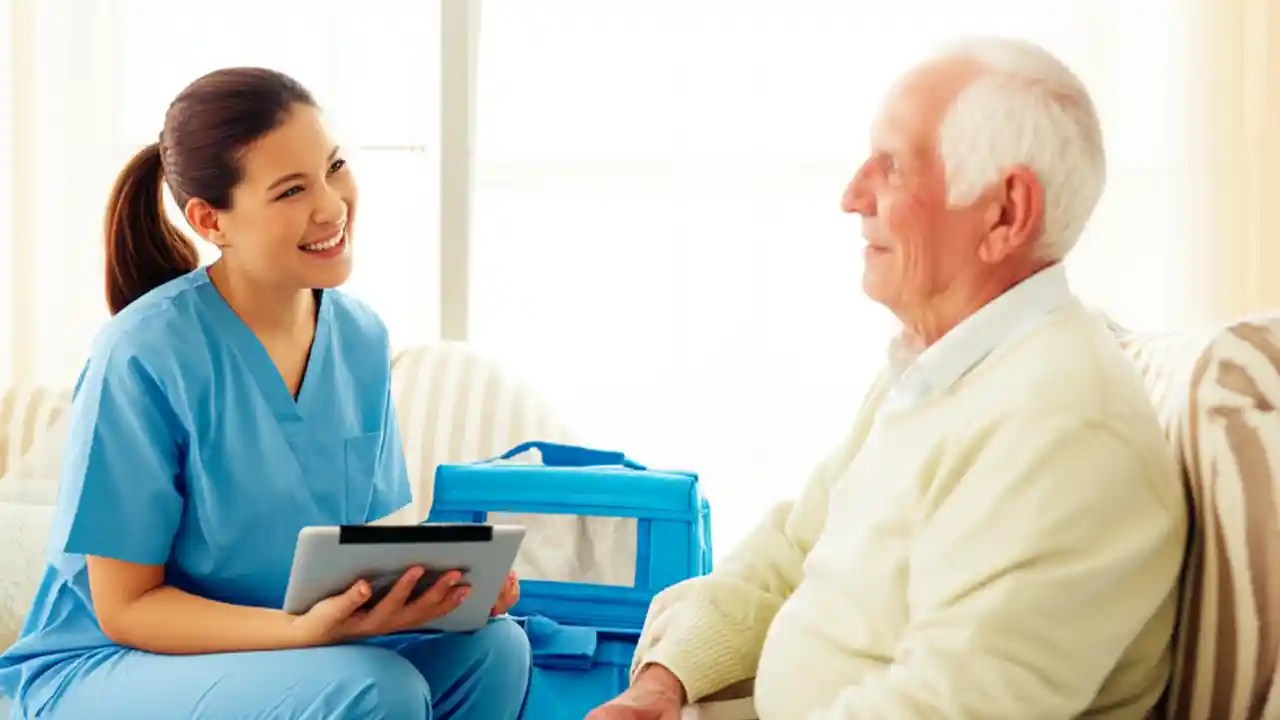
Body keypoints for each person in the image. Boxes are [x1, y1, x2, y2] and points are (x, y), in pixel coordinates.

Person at [589, 37, 1187, 720]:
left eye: (894, 167)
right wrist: (664, 683)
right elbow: (795, 548)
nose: (851, 196)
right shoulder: (942, 369)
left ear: (1005, 213)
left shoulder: (1068, 431)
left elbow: (944, 708)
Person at [0, 67, 530, 719]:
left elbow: (352, 554)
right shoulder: (143, 352)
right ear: (209, 220)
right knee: (376, 689)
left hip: (282, 649)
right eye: (290, 191)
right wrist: (304, 634)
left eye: (334, 167)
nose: (332, 206)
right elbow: (127, 608)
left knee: (493, 647)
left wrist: (441, 593)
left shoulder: (359, 337)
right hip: (107, 664)